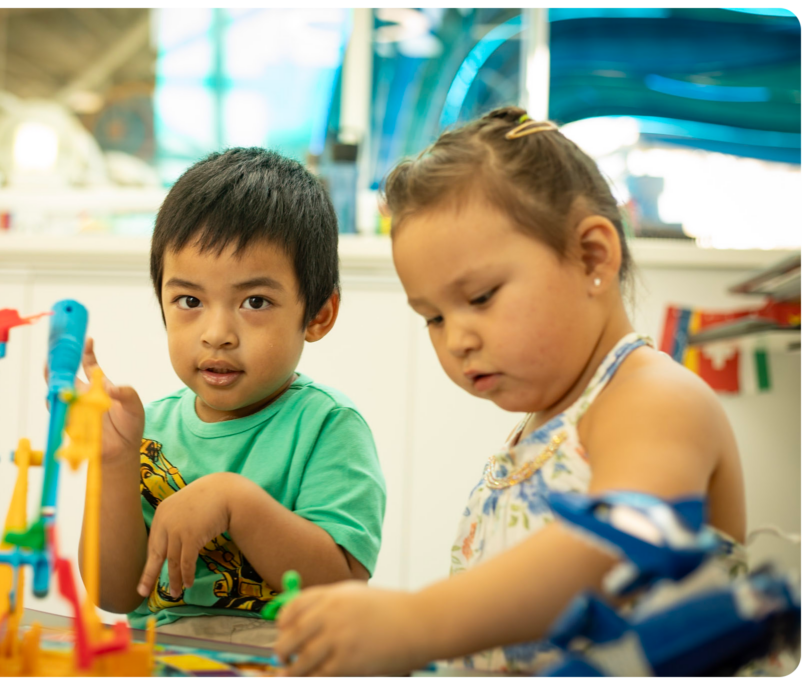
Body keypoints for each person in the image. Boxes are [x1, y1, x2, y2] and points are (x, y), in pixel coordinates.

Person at [272, 108, 748, 676]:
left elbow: (621, 547)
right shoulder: (542, 427)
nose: (458, 340)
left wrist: (416, 622)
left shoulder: (655, 399)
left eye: (480, 297)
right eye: (433, 318)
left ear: (592, 257)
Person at [77, 148, 386, 646]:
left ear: (318, 315)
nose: (216, 333)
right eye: (190, 301)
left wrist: (234, 502)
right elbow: (114, 595)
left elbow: (342, 589)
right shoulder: (145, 428)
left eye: (254, 302)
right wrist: (113, 463)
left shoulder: (329, 426)